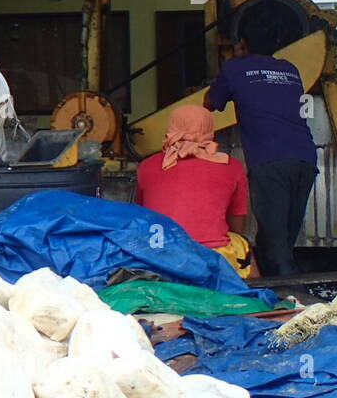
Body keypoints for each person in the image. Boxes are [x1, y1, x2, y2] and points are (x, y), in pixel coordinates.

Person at [203, 19, 317, 276]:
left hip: (270, 162)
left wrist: (232, 64)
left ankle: (292, 300)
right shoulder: (290, 69)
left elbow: (209, 103)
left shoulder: (235, 68)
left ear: (241, 44)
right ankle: (277, 288)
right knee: (282, 240)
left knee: (276, 246)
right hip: (305, 160)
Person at [134, 104, 253, 278]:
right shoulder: (231, 166)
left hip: (159, 253)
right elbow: (237, 223)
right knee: (243, 246)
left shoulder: (146, 166)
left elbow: (143, 215)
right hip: (212, 254)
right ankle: (256, 296)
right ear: (209, 129)